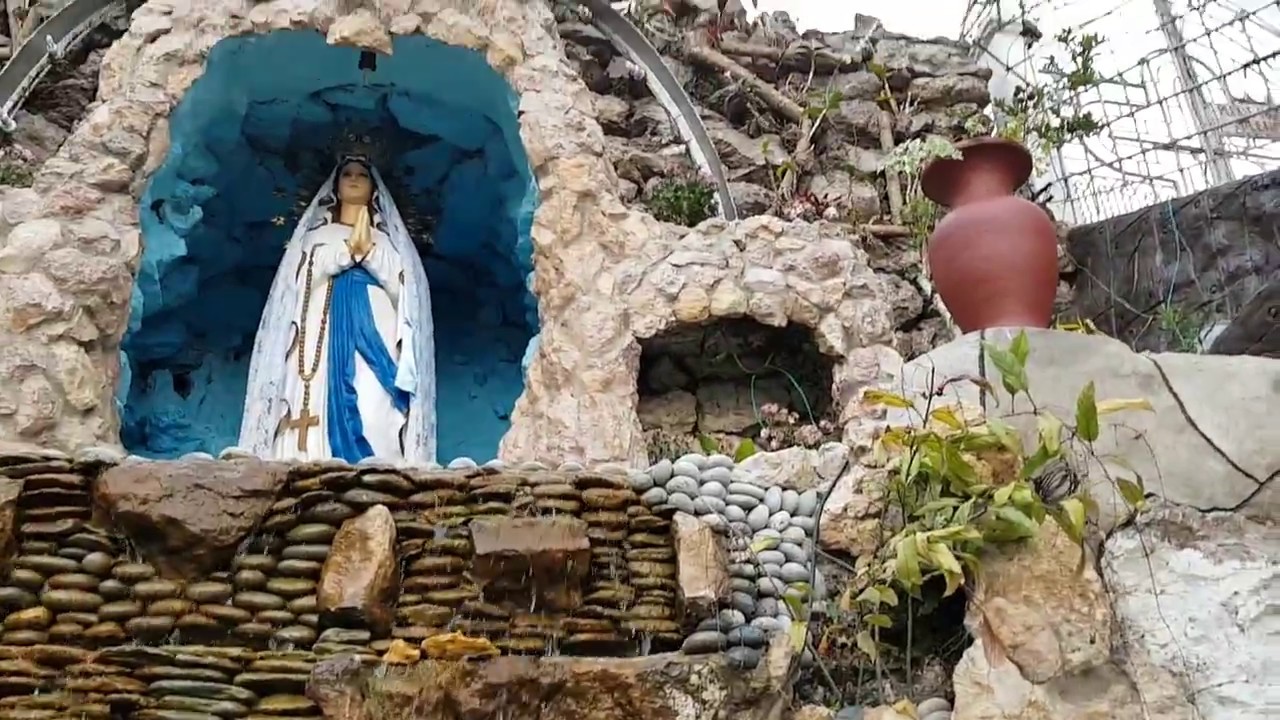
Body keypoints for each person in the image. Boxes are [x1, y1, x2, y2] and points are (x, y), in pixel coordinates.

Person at [239, 146, 437, 464]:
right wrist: (345, 253)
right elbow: (295, 286)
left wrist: (369, 253)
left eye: (362, 175)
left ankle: (380, 461)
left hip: (377, 333)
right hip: (320, 331)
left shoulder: (389, 242)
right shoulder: (315, 238)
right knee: (316, 398)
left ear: (375, 188)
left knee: (373, 404)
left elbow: (408, 300)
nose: (354, 180)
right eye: (347, 174)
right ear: (335, 185)